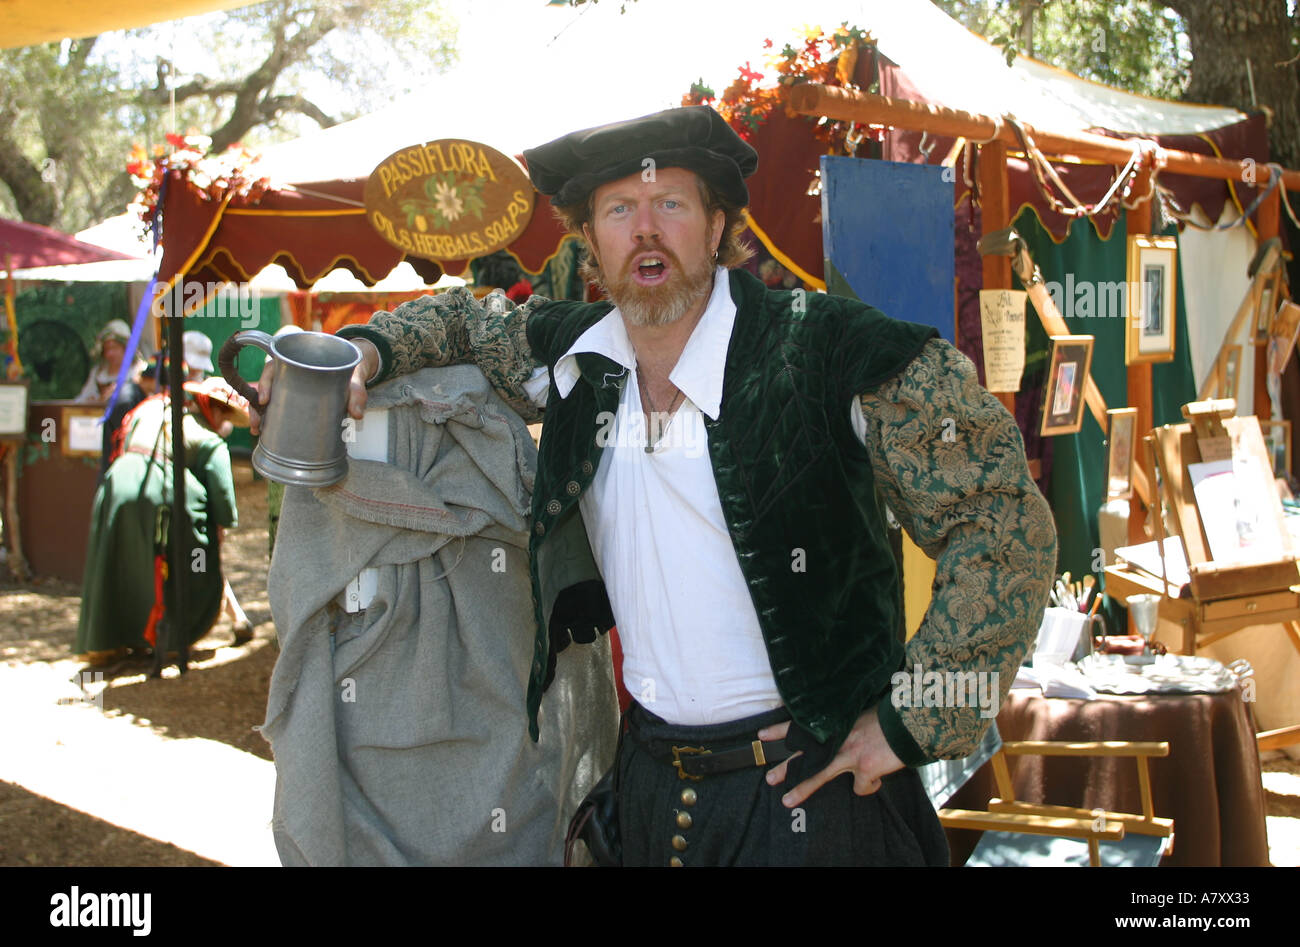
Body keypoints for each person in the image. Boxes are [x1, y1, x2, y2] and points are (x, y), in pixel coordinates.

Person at [255, 106, 1057, 866]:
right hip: (650, 790)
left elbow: (1001, 518)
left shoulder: (828, 350)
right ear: (591, 245)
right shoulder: (572, 356)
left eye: (670, 202)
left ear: (715, 229)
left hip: (814, 802)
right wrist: (361, 351)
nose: (644, 229)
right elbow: (462, 321)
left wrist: (912, 721)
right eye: (617, 210)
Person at [76, 377, 249, 666]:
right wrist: (221, 523)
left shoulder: (154, 408)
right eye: (223, 412)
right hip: (159, 488)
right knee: (186, 557)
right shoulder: (209, 439)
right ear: (214, 410)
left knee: (121, 560)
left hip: (117, 483)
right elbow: (220, 494)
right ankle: (170, 639)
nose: (223, 420)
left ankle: (106, 644)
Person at [74, 319, 146, 403]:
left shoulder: (140, 370)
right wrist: (98, 400)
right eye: (106, 349)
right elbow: (81, 400)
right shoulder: (98, 373)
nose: (110, 353)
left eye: (114, 348)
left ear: (126, 347)